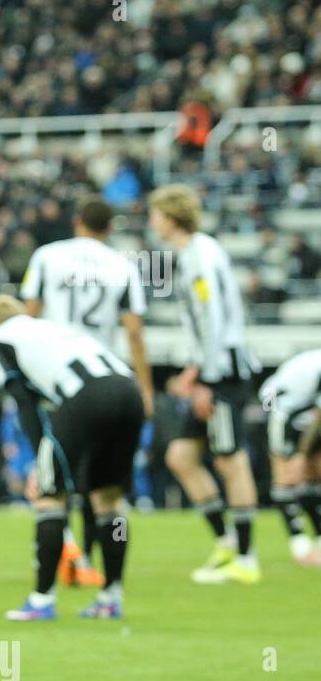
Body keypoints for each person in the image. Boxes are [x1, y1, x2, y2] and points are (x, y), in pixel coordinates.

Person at [0, 296, 145, 621]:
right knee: (110, 500)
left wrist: (40, 459)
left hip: (85, 396)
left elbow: (22, 401)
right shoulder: (50, 328)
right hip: (127, 391)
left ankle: (42, 600)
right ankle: (111, 597)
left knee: (49, 499)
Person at [21, 197, 153, 588]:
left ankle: (64, 557)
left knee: (57, 478)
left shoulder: (48, 256)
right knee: (106, 488)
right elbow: (133, 330)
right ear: (110, 228)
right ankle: (102, 569)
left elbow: (29, 316)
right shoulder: (123, 264)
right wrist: (144, 387)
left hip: (59, 378)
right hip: (108, 377)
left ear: (76, 221)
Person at [148, 184, 262, 585]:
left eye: (156, 214)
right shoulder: (194, 253)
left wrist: (204, 377)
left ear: (171, 217)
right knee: (181, 457)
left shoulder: (199, 255)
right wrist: (193, 369)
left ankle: (246, 558)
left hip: (224, 373)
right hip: (210, 369)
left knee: (231, 459)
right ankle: (227, 542)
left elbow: (212, 318)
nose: (152, 221)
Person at [259, 348, 321, 566]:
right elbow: (319, 414)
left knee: (315, 474)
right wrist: (301, 454)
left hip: (304, 410)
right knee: (286, 474)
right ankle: (299, 543)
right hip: (281, 408)